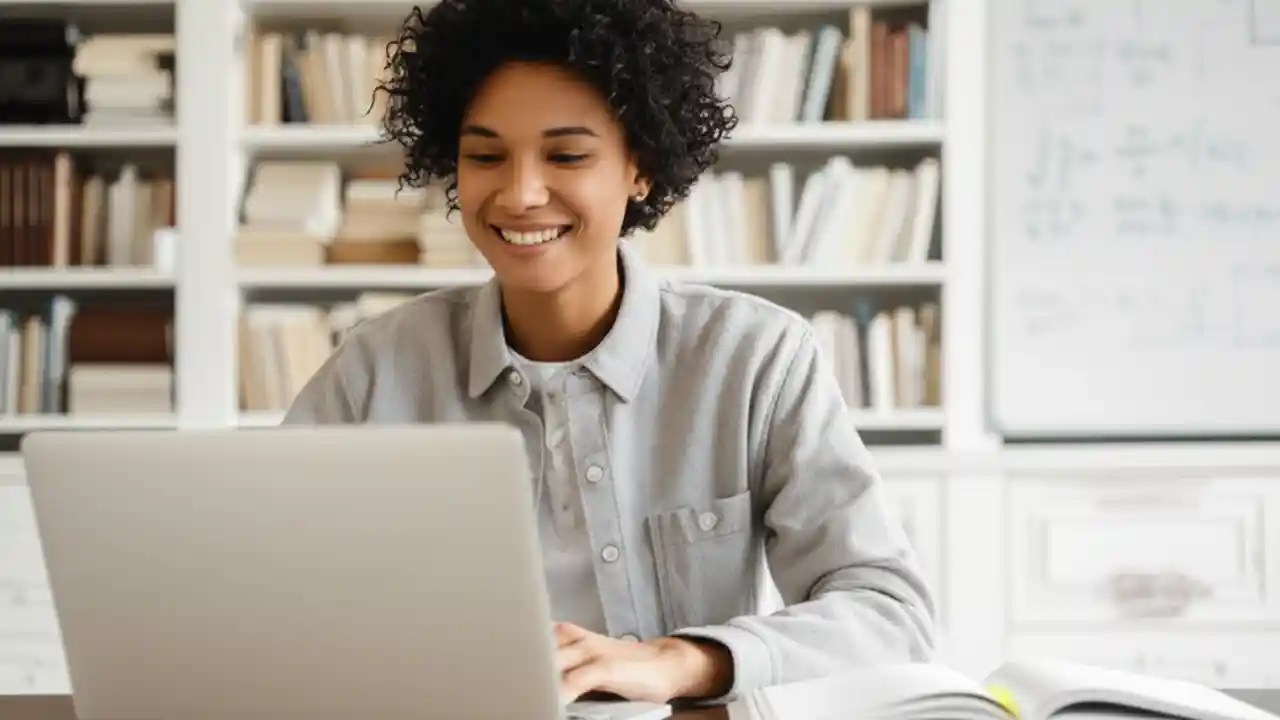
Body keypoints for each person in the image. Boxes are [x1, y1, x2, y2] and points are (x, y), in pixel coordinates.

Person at [284, 0, 936, 706]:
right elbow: (265, 595)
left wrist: (683, 661)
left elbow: (888, 612)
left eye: (567, 155)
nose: (520, 193)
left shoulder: (757, 360)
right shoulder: (373, 372)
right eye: (484, 155)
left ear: (640, 169)